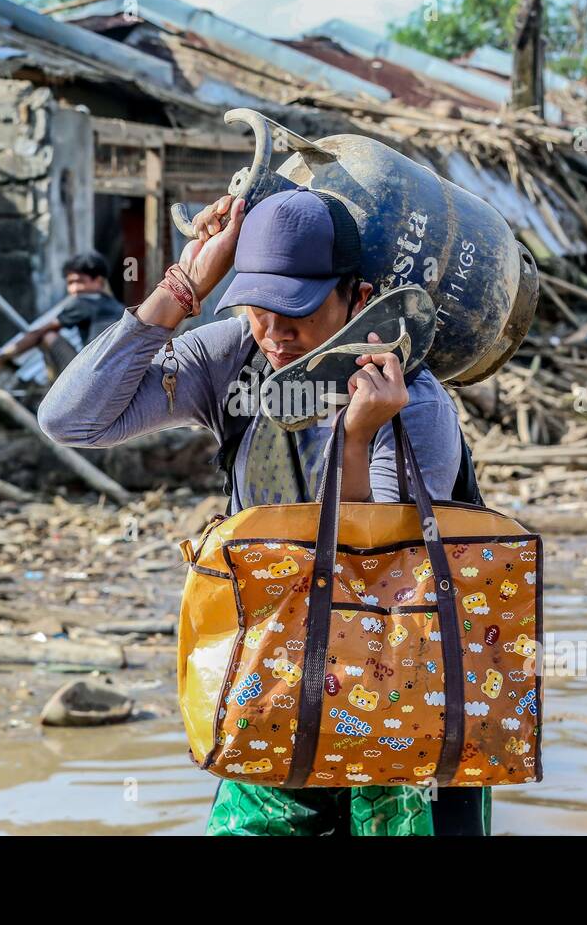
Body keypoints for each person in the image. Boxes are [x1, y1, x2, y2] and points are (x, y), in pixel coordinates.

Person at [38, 189, 487, 835]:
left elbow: (378, 581)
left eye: (297, 311)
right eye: (258, 308)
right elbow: (69, 418)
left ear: (356, 301)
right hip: (274, 692)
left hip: (402, 703)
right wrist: (184, 285)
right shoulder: (234, 362)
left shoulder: (412, 402)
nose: (275, 333)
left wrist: (356, 439)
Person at [0, 251, 124, 384]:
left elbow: (38, 333)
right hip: (117, 373)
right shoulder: (118, 306)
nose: (74, 289)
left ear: (98, 282)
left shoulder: (84, 302)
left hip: (94, 376)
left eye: (79, 282)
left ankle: (58, 390)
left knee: (47, 336)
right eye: (70, 283)